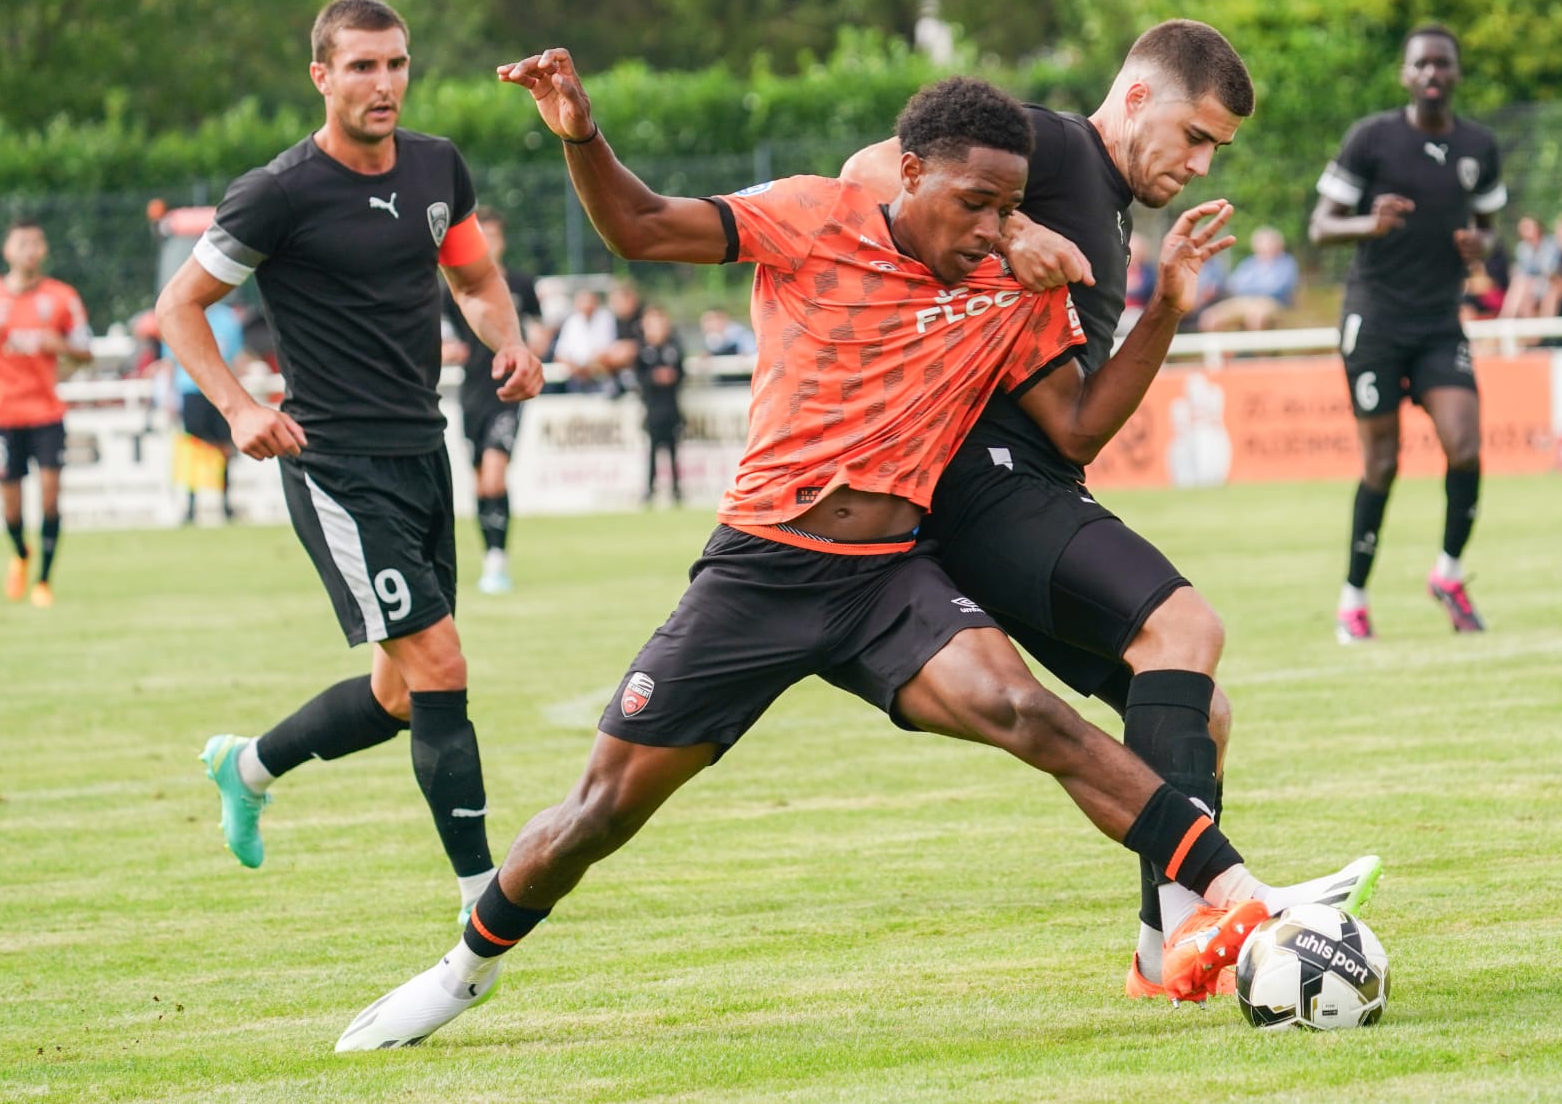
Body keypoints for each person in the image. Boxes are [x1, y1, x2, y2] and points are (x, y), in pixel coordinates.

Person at [337, 59, 1376, 1049]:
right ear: (908, 171)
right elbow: (641, 224)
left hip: (887, 581)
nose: (993, 227)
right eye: (974, 202)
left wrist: (1163, 309)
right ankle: (459, 973)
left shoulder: (1018, 286)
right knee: (597, 813)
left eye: (1010, 209)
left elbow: (1071, 433)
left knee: (1033, 716)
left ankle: (1239, 897)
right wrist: (583, 135)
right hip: (757, 574)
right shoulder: (811, 216)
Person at [841, 20, 1310, 1001]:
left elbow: (1080, 429)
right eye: (1192, 135)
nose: (1199, 160)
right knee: (1185, 626)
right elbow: (866, 169)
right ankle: (1202, 916)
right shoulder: (1052, 147)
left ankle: (1156, 957)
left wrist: (1167, 303)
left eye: (1214, 148)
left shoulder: (1110, 208)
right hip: (981, 478)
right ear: (1136, 98)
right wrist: (1010, 227)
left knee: (1196, 709)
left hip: (1037, 479)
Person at [155, 0, 543, 924]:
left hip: (421, 449)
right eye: (362, 66)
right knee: (442, 666)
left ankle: (246, 766)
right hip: (335, 463)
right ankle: (478, 897)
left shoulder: (437, 165)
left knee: (401, 694)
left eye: (397, 64)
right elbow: (179, 307)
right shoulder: (277, 191)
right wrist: (242, 404)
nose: (384, 84)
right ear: (322, 75)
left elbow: (474, 274)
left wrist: (510, 340)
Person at [1308, 23, 1506, 643]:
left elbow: (1492, 227)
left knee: (1466, 445)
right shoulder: (1372, 139)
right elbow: (1319, 227)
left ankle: (1448, 573)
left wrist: (1484, 244)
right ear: (1405, 74)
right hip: (1375, 320)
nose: (1432, 74)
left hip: (1439, 323)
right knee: (1383, 463)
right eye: (1421, 64)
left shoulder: (1480, 146)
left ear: (1456, 74)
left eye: (1443, 64)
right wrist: (1370, 222)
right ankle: (1353, 598)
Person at [0, 219, 92, 608]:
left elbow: (85, 350)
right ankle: (21, 553)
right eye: (22, 242)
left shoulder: (62, 297)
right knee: (10, 505)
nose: (30, 249)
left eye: (37, 242)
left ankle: (44, 581)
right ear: (7, 250)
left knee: (49, 498)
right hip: (4, 415)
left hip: (47, 413)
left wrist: (59, 345)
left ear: (44, 251)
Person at [440, 210, 541, 593]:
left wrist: (535, 345)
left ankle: (498, 561)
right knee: (482, 481)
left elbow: (541, 326)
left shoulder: (519, 283)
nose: (490, 242)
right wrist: (446, 349)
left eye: (495, 235)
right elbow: (443, 335)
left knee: (496, 472)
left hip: (508, 391)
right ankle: (492, 558)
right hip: (472, 393)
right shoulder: (454, 286)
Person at [165, 297, 248, 523]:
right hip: (191, 389)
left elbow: (237, 357)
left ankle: (225, 503)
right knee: (193, 448)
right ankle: (191, 506)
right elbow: (170, 361)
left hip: (221, 390)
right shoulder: (178, 312)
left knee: (224, 447)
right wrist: (169, 396)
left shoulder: (227, 319)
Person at [1198, 225, 1299, 331]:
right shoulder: (1249, 263)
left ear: (1277, 245)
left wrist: (1251, 289)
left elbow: (1278, 289)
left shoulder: (1286, 263)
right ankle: (1221, 348)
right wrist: (1258, 288)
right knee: (1210, 317)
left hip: (1272, 303)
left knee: (1256, 316)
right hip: (1244, 301)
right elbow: (1234, 285)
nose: (1265, 247)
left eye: (1268, 243)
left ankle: (1258, 347)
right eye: (1261, 243)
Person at [634, 304, 685, 504]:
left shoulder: (673, 347)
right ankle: (649, 488)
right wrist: (654, 378)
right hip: (652, 408)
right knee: (653, 449)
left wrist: (673, 376)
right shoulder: (643, 350)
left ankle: (676, 488)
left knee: (673, 448)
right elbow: (639, 377)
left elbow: (681, 372)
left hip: (671, 407)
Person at [552, 287, 618, 392]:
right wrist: (576, 368)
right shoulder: (571, 322)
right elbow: (560, 354)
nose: (586, 305)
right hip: (576, 378)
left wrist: (587, 366)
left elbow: (607, 350)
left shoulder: (606, 318)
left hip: (600, 376)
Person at [1499, 214, 1559, 319]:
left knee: (1522, 285)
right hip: (1530, 285)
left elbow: (1550, 271)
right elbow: (1523, 271)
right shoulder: (1522, 248)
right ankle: (1507, 318)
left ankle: (1505, 319)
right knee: (1522, 290)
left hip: (1550, 283)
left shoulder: (1551, 244)